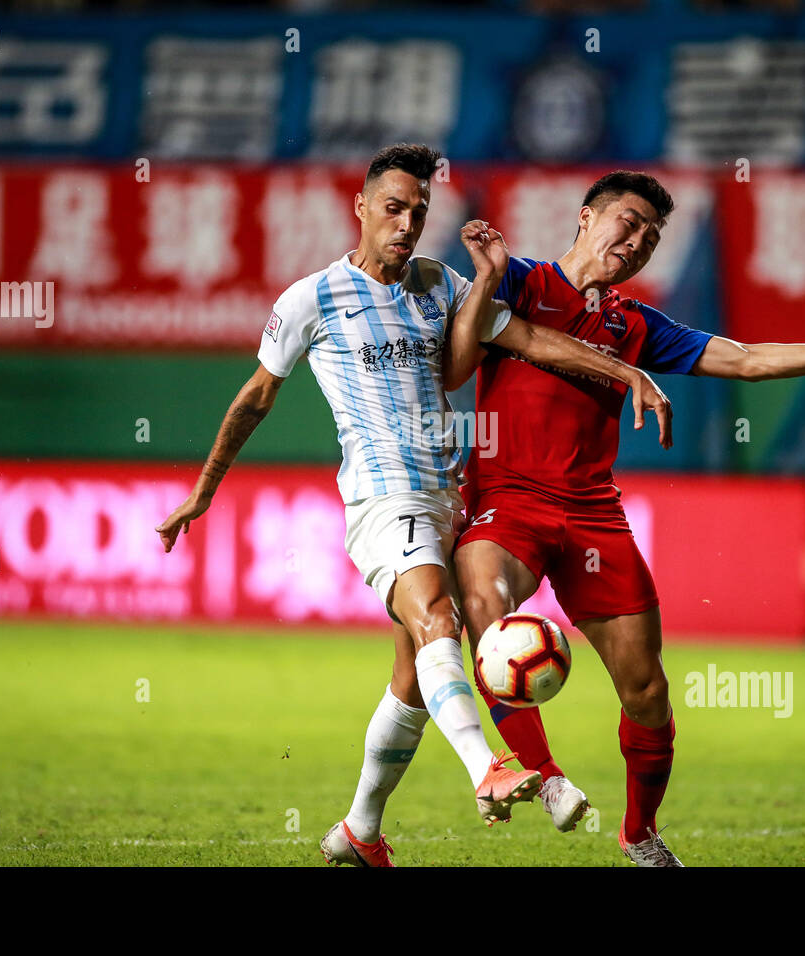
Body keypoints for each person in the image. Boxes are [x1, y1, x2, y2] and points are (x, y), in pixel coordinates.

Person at [155, 147, 674, 868]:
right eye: (393, 208)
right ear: (361, 208)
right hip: (381, 497)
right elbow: (255, 398)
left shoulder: (438, 284)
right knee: (441, 619)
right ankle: (489, 768)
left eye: (419, 212)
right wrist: (203, 492)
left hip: (446, 497)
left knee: (416, 676)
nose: (406, 224)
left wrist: (622, 369)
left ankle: (359, 833)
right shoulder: (311, 298)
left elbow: (523, 340)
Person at [447, 170, 805, 866]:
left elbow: (746, 358)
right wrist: (488, 278)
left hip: (591, 514)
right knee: (482, 604)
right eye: (628, 222)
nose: (637, 241)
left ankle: (639, 832)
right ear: (587, 217)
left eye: (650, 236)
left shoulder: (635, 326)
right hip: (507, 499)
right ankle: (544, 778)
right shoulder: (518, 282)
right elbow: (462, 353)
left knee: (647, 691)